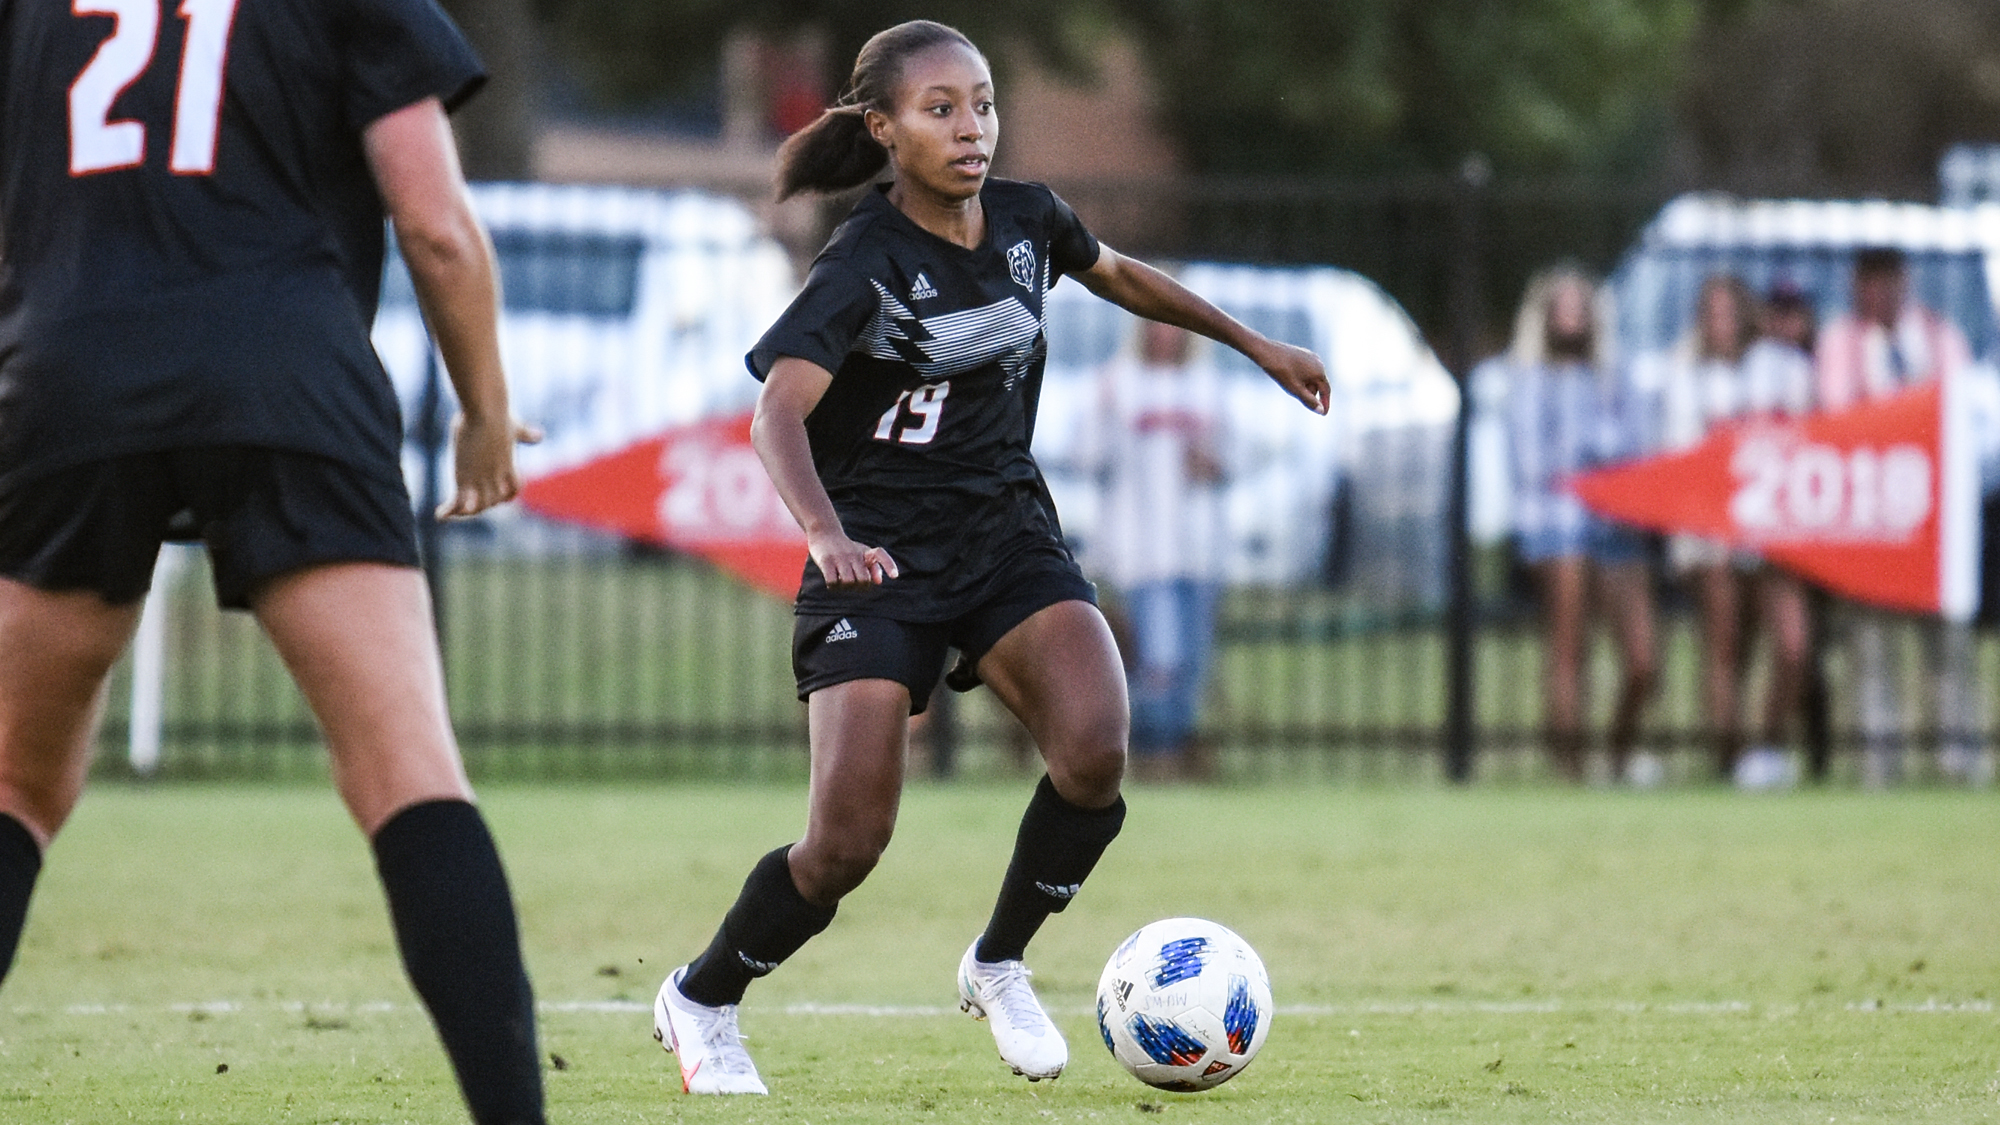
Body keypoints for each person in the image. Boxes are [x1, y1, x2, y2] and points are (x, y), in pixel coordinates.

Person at [648, 20, 1329, 1095]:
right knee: (844, 845)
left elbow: (1120, 276)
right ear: (882, 130)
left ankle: (997, 961)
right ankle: (701, 996)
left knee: (1095, 749)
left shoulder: (1025, 222)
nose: (970, 129)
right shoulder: (861, 263)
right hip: (876, 554)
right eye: (940, 110)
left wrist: (1255, 344)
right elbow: (776, 417)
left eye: (982, 105)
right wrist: (826, 535)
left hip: (1005, 535)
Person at [0, 3, 545, 1123]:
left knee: (13, 786)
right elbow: (435, 222)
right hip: (285, 370)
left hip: (70, 371)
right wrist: (485, 409)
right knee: (407, 774)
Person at [1816, 247, 1987, 786]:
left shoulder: (1942, 338)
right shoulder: (1840, 342)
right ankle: (1878, 760)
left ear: (1903, 282)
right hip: (1871, 524)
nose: (1879, 293)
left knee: (1949, 647)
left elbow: (1962, 417)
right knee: (1870, 645)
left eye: (1888, 281)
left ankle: (1959, 757)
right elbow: (1837, 418)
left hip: (1935, 527)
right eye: (1869, 283)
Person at [1495, 266, 1657, 784]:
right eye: (1560, 307)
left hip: (1615, 528)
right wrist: (1595, 462)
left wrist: (1594, 467)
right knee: (1570, 650)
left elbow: (1638, 450)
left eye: (1578, 306)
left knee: (1642, 660)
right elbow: (1535, 464)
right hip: (1557, 528)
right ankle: (1571, 770)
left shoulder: (1615, 375)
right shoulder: (1528, 380)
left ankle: (1617, 754)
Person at [1660, 274, 1814, 786]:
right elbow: (1680, 467)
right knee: (1726, 651)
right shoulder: (1687, 380)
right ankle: (1729, 762)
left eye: (1729, 312)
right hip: (1714, 539)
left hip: (1777, 537)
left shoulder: (1783, 369)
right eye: (1711, 313)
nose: (1720, 323)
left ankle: (1764, 749)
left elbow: (1813, 443)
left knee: (1792, 645)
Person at [1083, 319, 1230, 780]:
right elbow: (1087, 454)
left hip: (1199, 549)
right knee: (1159, 661)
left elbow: (1234, 455)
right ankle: (1148, 749)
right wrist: (1102, 413)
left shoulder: (1206, 385)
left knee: (1190, 664)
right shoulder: (1119, 382)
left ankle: (1167, 752)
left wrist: (1213, 463)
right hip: (1143, 553)